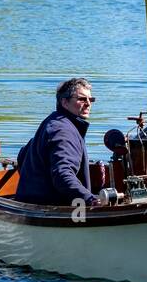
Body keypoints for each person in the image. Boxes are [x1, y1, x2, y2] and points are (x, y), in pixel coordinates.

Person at [14, 77, 100, 207]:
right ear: (64, 102)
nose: (88, 103)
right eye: (82, 99)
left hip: (29, 205)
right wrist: (91, 200)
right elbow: (62, 174)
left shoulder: (53, 121)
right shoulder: (64, 131)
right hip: (50, 211)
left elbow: (22, 155)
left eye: (91, 99)